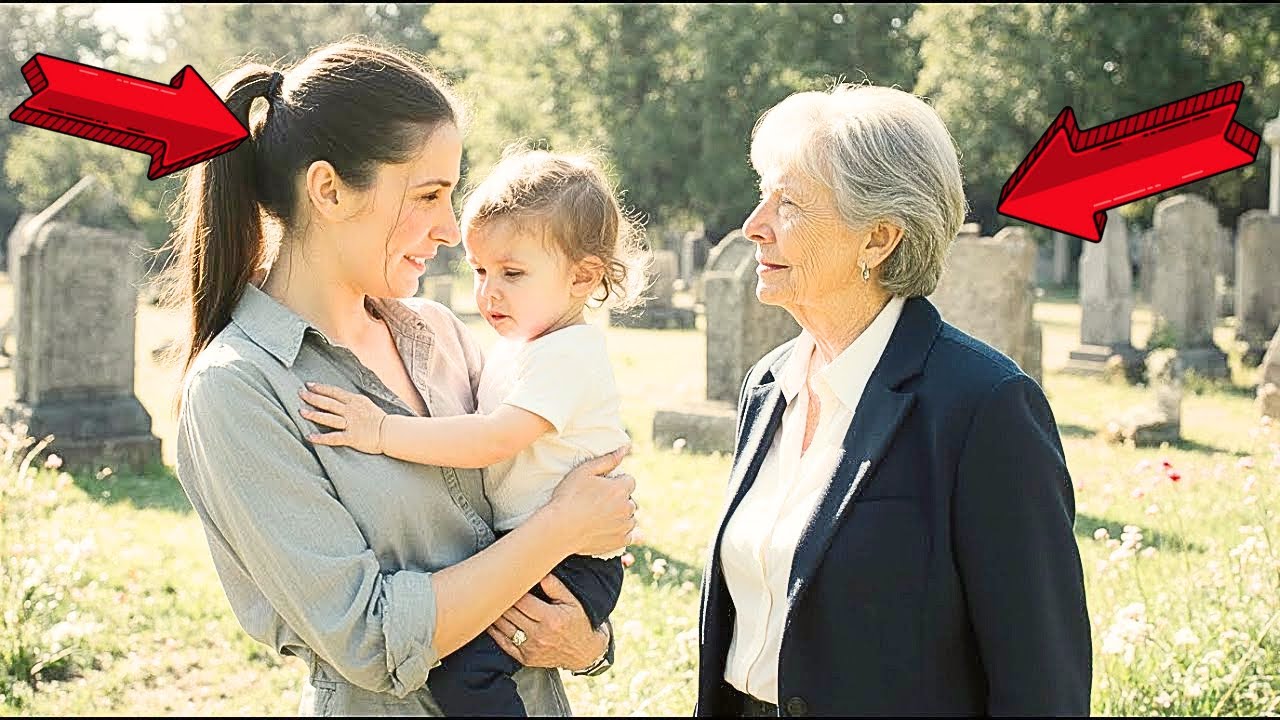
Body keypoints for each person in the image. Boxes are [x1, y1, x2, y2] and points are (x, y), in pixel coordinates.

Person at [166, 39, 637, 716]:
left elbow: (541, 500)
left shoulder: (439, 333)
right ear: (329, 190)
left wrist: (588, 641)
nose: (450, 229)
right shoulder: (239, 389)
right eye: (429, 195)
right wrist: (562, 528)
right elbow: (372, 641)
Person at [695, 84, 1093, 717]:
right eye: (763, 194)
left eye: (789, 203)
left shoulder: (985, 407)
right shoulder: (768, 383)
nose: (754, 226)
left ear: (878, 238)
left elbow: (1042, 682)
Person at [296, 147, 648, 716]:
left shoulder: (569, 356)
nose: (489, 292)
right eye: (480, 270)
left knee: (466, 673)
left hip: (573, 562)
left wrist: (380, 431)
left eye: (513, 273)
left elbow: (490, 440)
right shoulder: (520, 346)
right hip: (539, 548)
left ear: (582, 277)